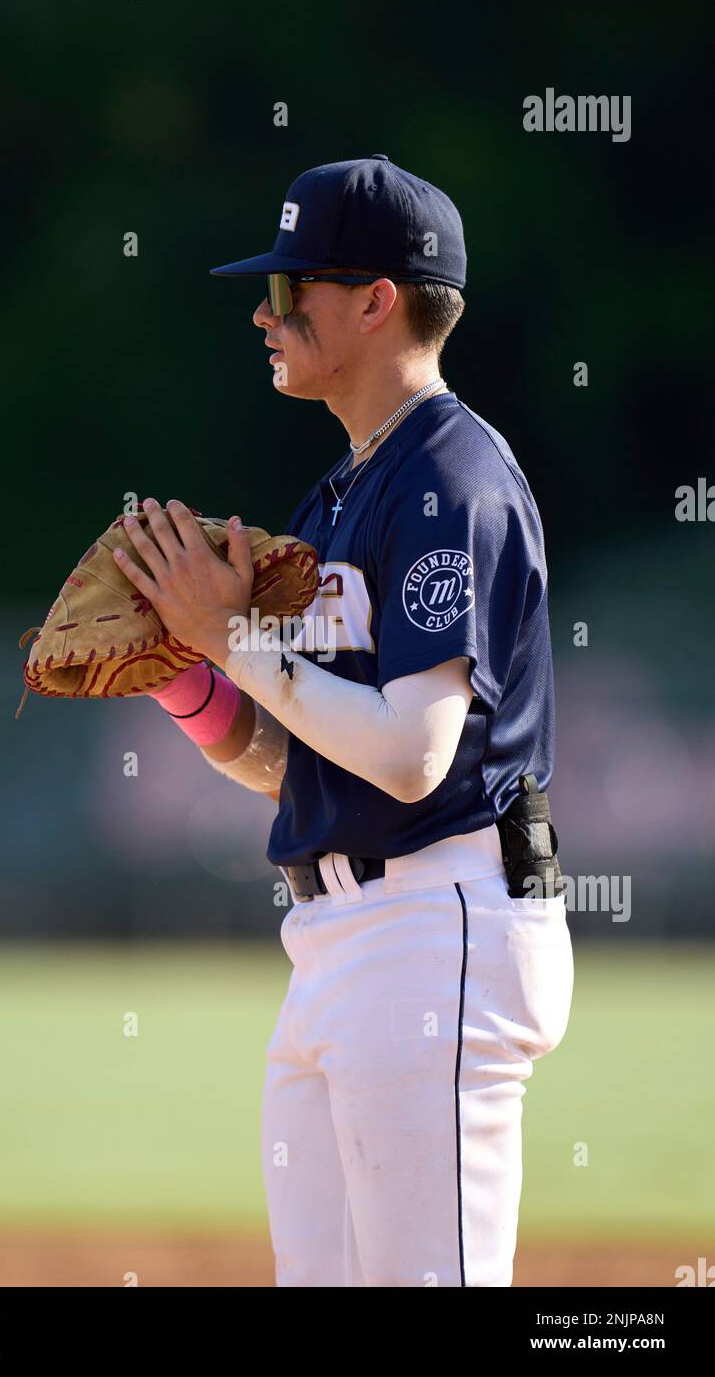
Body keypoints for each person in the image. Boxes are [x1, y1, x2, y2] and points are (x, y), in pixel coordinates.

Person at [112, 155, 573, 1288]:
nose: (264, 314)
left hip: (436, 922)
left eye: (290, 289)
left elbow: (414, 756)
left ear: (376, 300)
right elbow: (297, 762)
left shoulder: (449, 478)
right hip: (334, 944)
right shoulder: (338, 493)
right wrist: (188, 675)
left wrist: (235, 639)